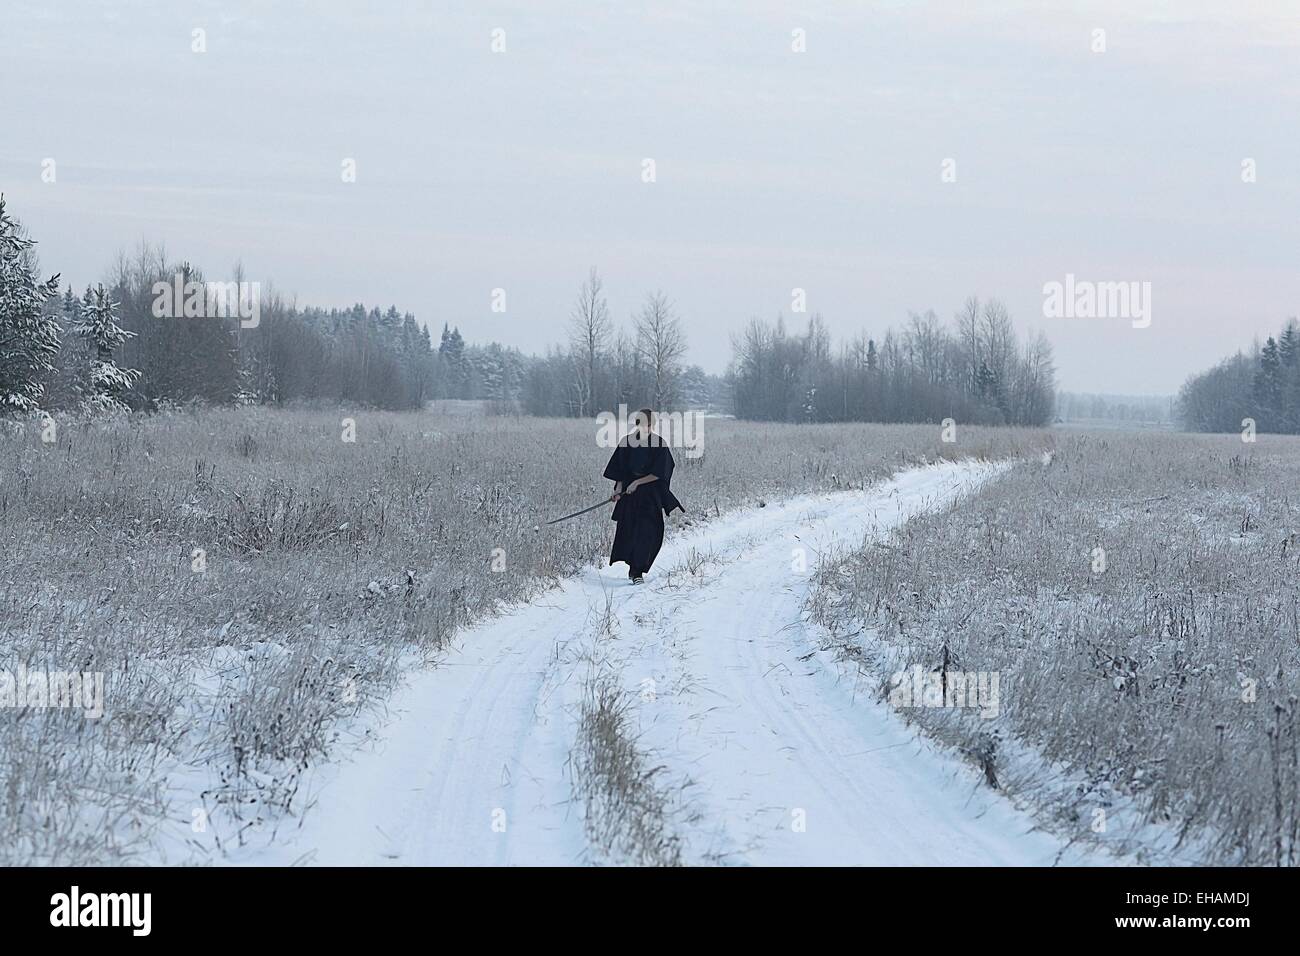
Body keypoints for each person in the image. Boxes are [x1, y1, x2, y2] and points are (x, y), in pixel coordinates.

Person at [603, 408, 684, 583]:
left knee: (649, 531)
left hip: (650, 495)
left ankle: (638, 570)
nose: (644, 427)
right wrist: (618, 490)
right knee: (630, 531)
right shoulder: (627, 442)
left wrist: (637, 483)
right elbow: (619, 470)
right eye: (641, 423)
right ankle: (634, 570)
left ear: (652, 424)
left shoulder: (659, 443)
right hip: (629, 497)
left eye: (648, 424)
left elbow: (660, 472)